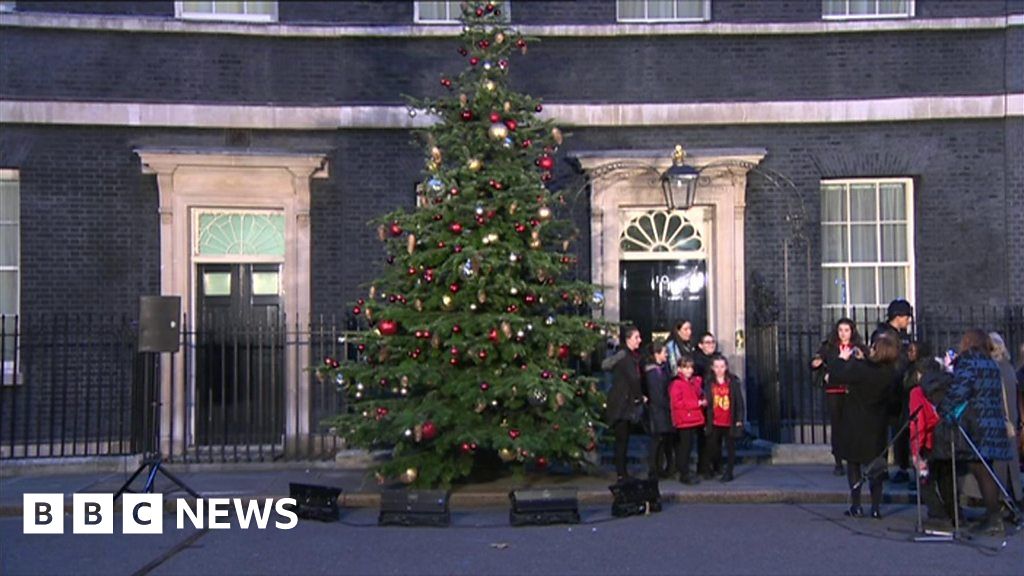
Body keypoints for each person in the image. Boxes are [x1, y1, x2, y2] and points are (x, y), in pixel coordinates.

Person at [937, 329, 1014, 535]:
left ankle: (994, 518)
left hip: (976, 423)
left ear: (969, 342)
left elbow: (960, 390)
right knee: (985, 468)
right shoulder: (990, 363)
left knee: (981, 469)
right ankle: (992, 514)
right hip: (991, 421)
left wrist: (943, 408)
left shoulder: (969, 362)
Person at [830, 332, 901, 519]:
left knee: (854, 463)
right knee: (876, 466)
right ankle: (876, 507)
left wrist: (842, 359)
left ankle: (856, 505)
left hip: (855, 420)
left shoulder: (862, 369)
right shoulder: (891, 373)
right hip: (877, 423)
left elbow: (838, 374)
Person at [810, 318, 867, 476]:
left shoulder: (858, 348)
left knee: (853, 425)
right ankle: (838, 461)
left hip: (852, 390)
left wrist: (862, 357)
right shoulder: (829, 347)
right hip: (835, 390)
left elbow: (868, 363)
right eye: (840, 330)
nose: (843, 334)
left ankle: (854, 458)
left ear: (852, 331)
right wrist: (817, 362)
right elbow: (815, 361)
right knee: (838, 426)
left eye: (846, 330)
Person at [871, 299, 914, 485]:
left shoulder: (903, 335)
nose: (909, 321)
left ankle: (902, 466)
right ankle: (880, 466)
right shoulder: (883, 335)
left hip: (901, 388)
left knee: (901, 429)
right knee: (880, 430)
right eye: (907, 317)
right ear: (898, 317)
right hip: (887, 386)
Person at [603, 326, 644, 482]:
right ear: (628, 340)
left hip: (622, 402)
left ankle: (622, 471)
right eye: (636, 337)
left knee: (623, 439)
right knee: (622, 440)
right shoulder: (626, 358)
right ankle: (622, 473)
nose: (639, 340)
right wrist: (639, 397)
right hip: (622, 404)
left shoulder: (628, 356)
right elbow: (633, 379)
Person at [988, 332, 1022, 505]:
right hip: (1011, 420)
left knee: (1001, 463)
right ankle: (1014, 496)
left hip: (1003, 421)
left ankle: (1004, 499)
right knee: (1011, 462)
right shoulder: (1008, 367)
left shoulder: (996, 368)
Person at [701, 354, 745, 483]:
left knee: (730, 447)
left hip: (729, 420)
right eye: (717, 367)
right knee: (713, 446)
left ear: (726, 367)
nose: (719, 369)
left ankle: (729, 472)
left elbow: (739, 402)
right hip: (714, 420)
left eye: (722, 366)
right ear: (712, 368)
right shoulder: (709, 383)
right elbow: (706, 401)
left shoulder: (732, 382)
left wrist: (739, 419)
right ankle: (714, 468)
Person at [669, 354, 706, 485]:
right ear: (680, 369)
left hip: (692, 418)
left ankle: (684, 470)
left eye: (691, 368)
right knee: (684, 447)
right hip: (684, 419)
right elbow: (677, 403)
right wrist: (696, 404)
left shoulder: (693, 382)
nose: (689, 370)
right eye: (686, 368)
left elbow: (698, 392)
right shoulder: (676, 384)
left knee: (688, 446)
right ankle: (683, 472)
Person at [643, 340, 675, 480]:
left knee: (662, 441)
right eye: (664, 352)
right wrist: (669, 406)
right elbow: (657, 394)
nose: (667, 355)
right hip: (658, 411)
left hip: (661, 410)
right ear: (657, 354)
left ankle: (659, 468)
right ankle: (654, 470)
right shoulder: (653, 372)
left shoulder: (661, 368)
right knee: (657, 441)